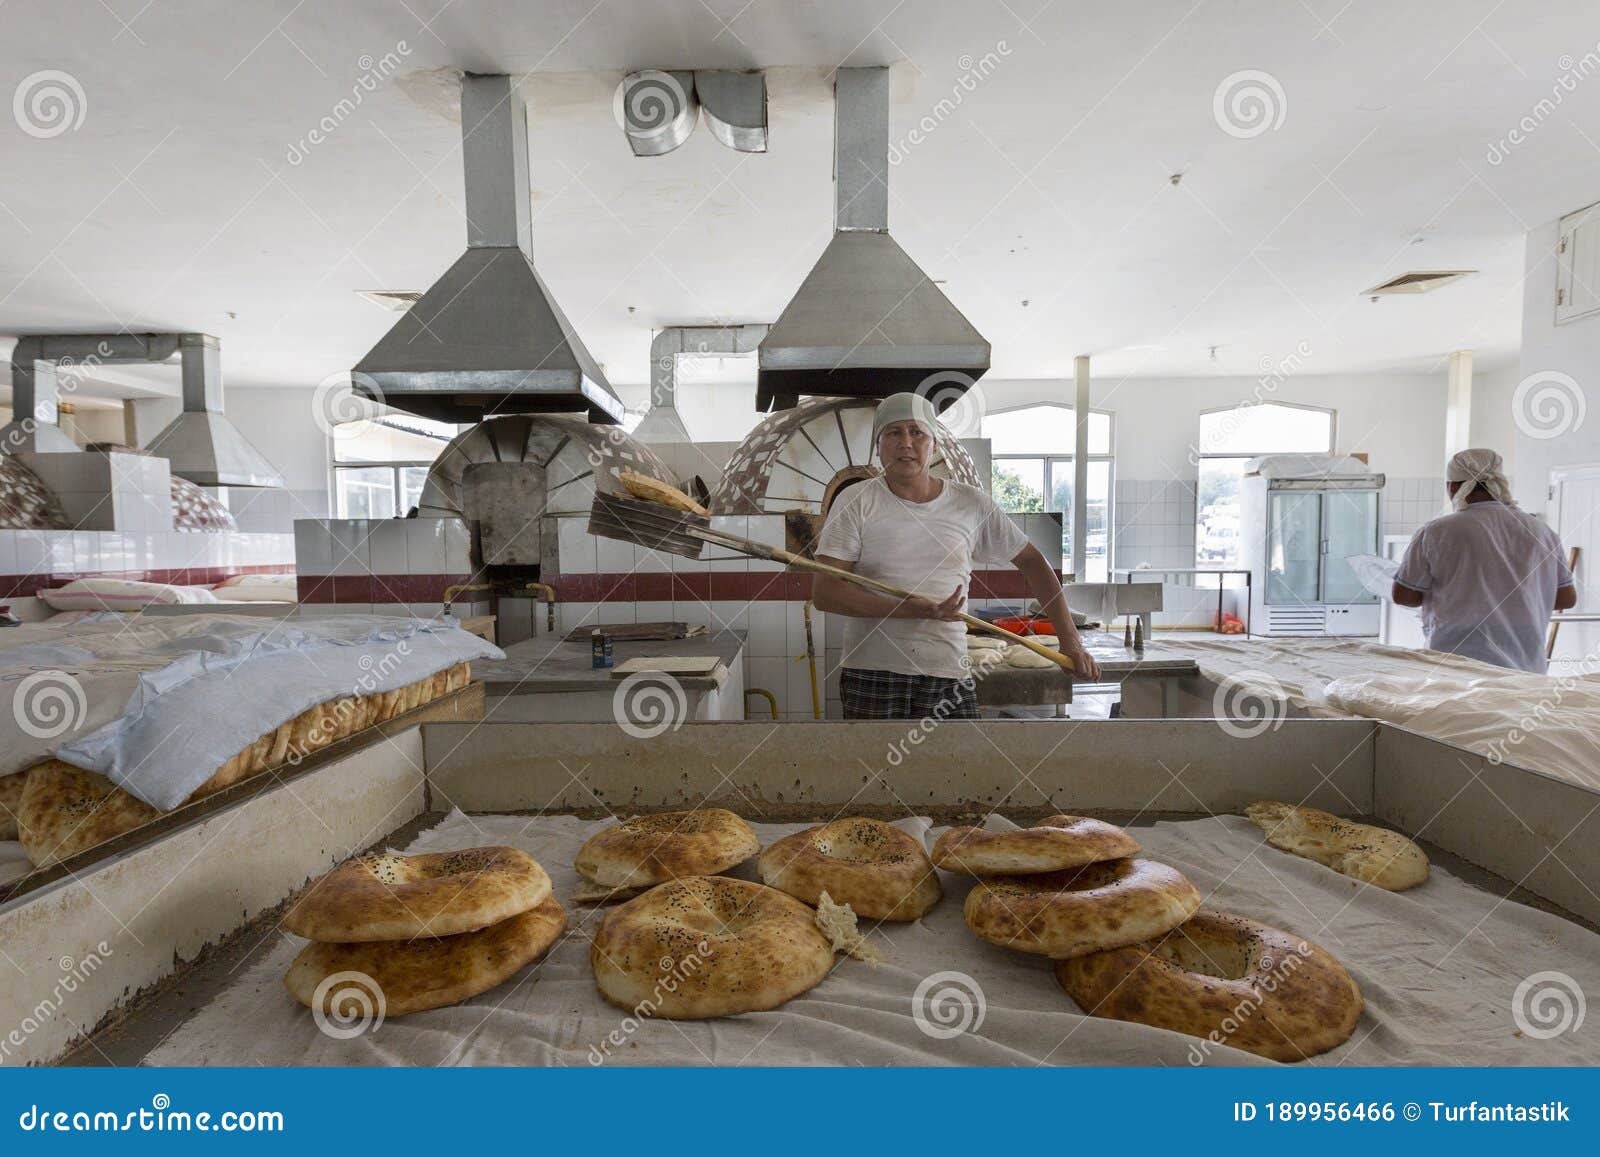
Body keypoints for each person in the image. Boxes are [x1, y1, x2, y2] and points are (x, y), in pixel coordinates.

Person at [812, 392, 1101, 720]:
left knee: (958, 769)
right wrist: (906, 610)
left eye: (917, 432)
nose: (906, 442)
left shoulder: (971, 503)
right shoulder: (856, 500)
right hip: (873, 670)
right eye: (894, 433)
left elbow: (1034, 562)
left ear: (933, 445)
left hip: (947, 671)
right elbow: (826, 592)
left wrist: (1071, 641)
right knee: (877, 773)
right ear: (878, 447)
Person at [1392, 448, 1576, 673]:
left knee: (1458, 708)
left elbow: (1403, 595)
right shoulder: (1542, 531)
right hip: (1524, 664)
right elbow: (1566, 599)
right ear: (1500, 483)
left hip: (1456, 661)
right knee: (1516, 708)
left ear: (1453, 487)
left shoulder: (1436, 531)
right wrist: (1521, 598)